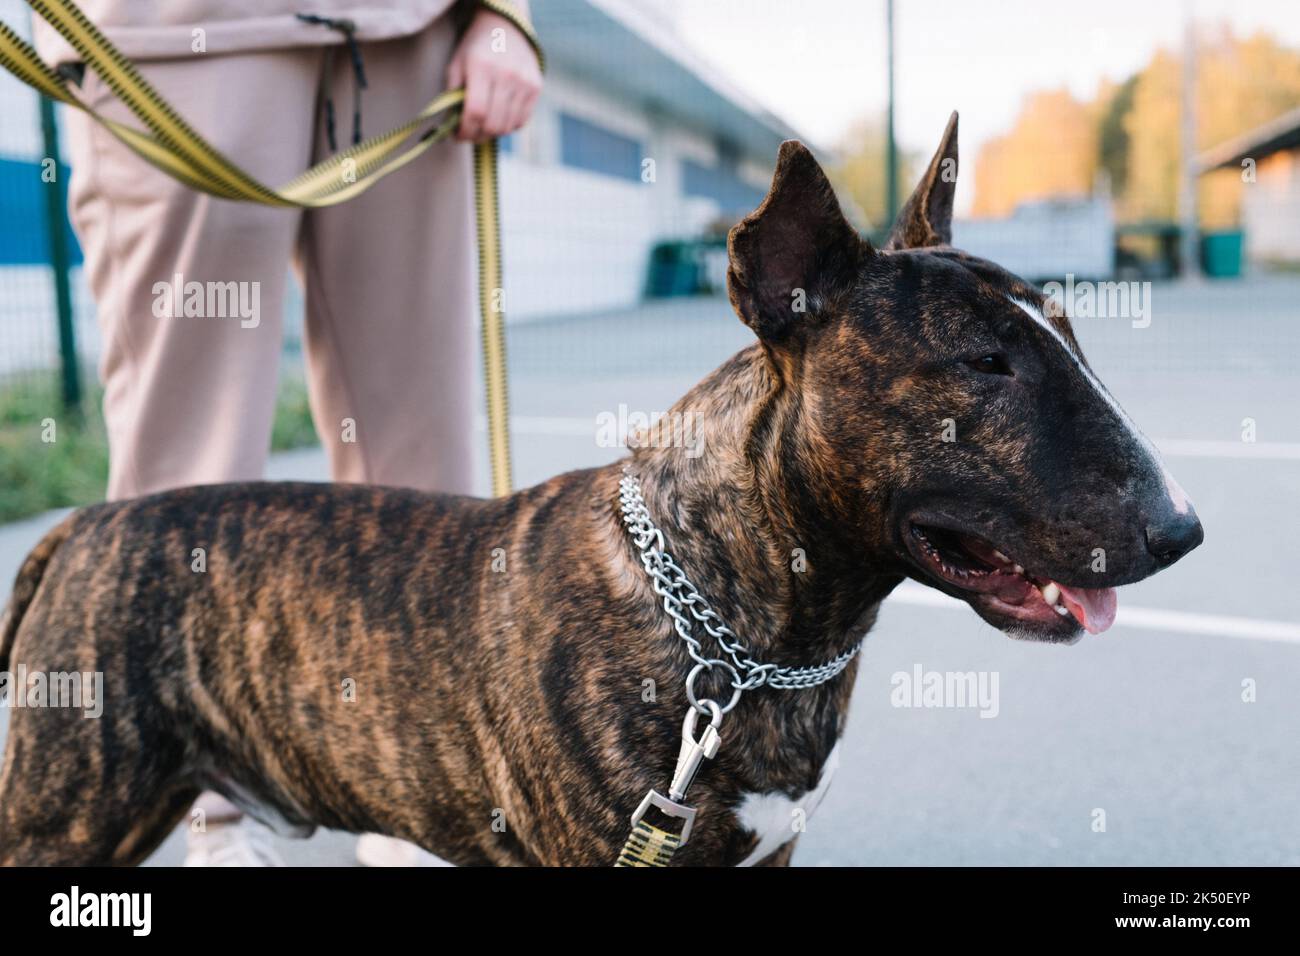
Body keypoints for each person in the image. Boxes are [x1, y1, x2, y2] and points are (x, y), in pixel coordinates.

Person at [33, 0, 542, 865]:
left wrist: (505, 11)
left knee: (420, 460)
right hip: (174, 27)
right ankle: (207, 815)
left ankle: (412, 807)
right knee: (183, 455)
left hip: (407, 28)